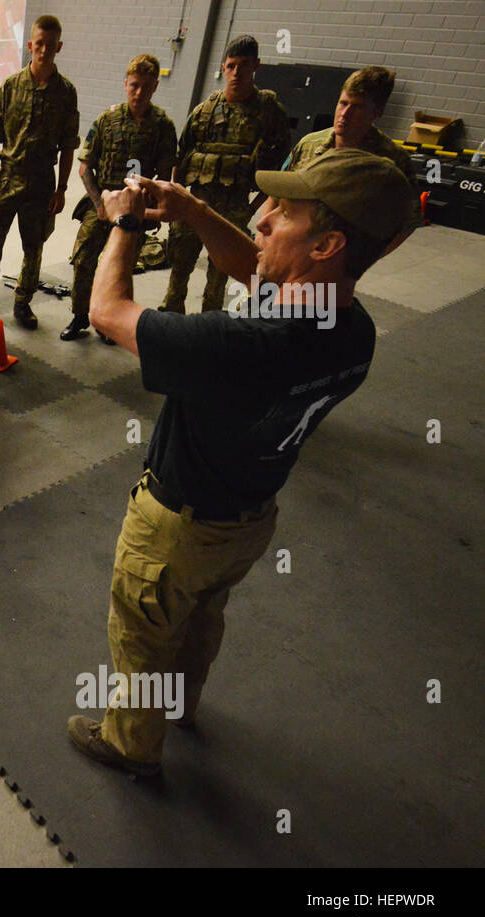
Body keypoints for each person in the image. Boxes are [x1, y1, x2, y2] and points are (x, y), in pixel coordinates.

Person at [67, 149, 413, 775]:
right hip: (248, 520)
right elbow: (255, 268)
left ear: (326, 244)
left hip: (176, 526)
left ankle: (130, 746)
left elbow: (107, 312)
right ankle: (182, 706)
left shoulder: (243, 348)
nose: (261, 219)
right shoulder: (349, 326)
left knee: (144, 636)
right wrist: (194, 211)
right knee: (200, 617)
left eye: (283, 214)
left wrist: (124, 224)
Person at [160, 35, 289, 314]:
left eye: (243, 65)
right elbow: (182, 157)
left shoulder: (268, 112)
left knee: (220, 271)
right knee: (180, 261)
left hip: (235, 207)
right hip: (196, 200)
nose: (236, 73)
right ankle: (172, 314)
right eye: (230, 65)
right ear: (224, 66)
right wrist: (175, 200)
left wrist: (254, 208)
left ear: (256, 65)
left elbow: (281, 162)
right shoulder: (204, 111)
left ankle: (211, 321)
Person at [0, 15, 80, 331]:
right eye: (39, 44)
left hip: (43, 182)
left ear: (58, 47)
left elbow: (69, 144)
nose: (44, 50)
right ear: (31, 45)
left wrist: (61, 189)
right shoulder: (10, 86)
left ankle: (23, 303)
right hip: (7, 178)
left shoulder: (66, 92)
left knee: (34, 248)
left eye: (50, 45)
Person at [65, 53, 176, 342]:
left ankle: (110, 322)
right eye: (134, 85)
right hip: (102, 204)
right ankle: (80, 316)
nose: (139, 93)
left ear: (154, 88)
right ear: (126, 84)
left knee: (122, 268)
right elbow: (85, 168)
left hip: (135, 210)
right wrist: (100, 205)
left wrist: (147, 210)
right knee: (84, 259)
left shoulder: (163, 126)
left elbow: (164, 177)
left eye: (146, 87)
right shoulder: (107, 119)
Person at [284, 66, 420, 254]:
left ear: (377, 112)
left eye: (357, 107)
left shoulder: (392, 161)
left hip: (337, 258)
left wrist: (367, 258)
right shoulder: (310, 144)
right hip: (292, 245)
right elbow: (278, 195)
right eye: (343, 103)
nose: (344, 114)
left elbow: (409, 222)